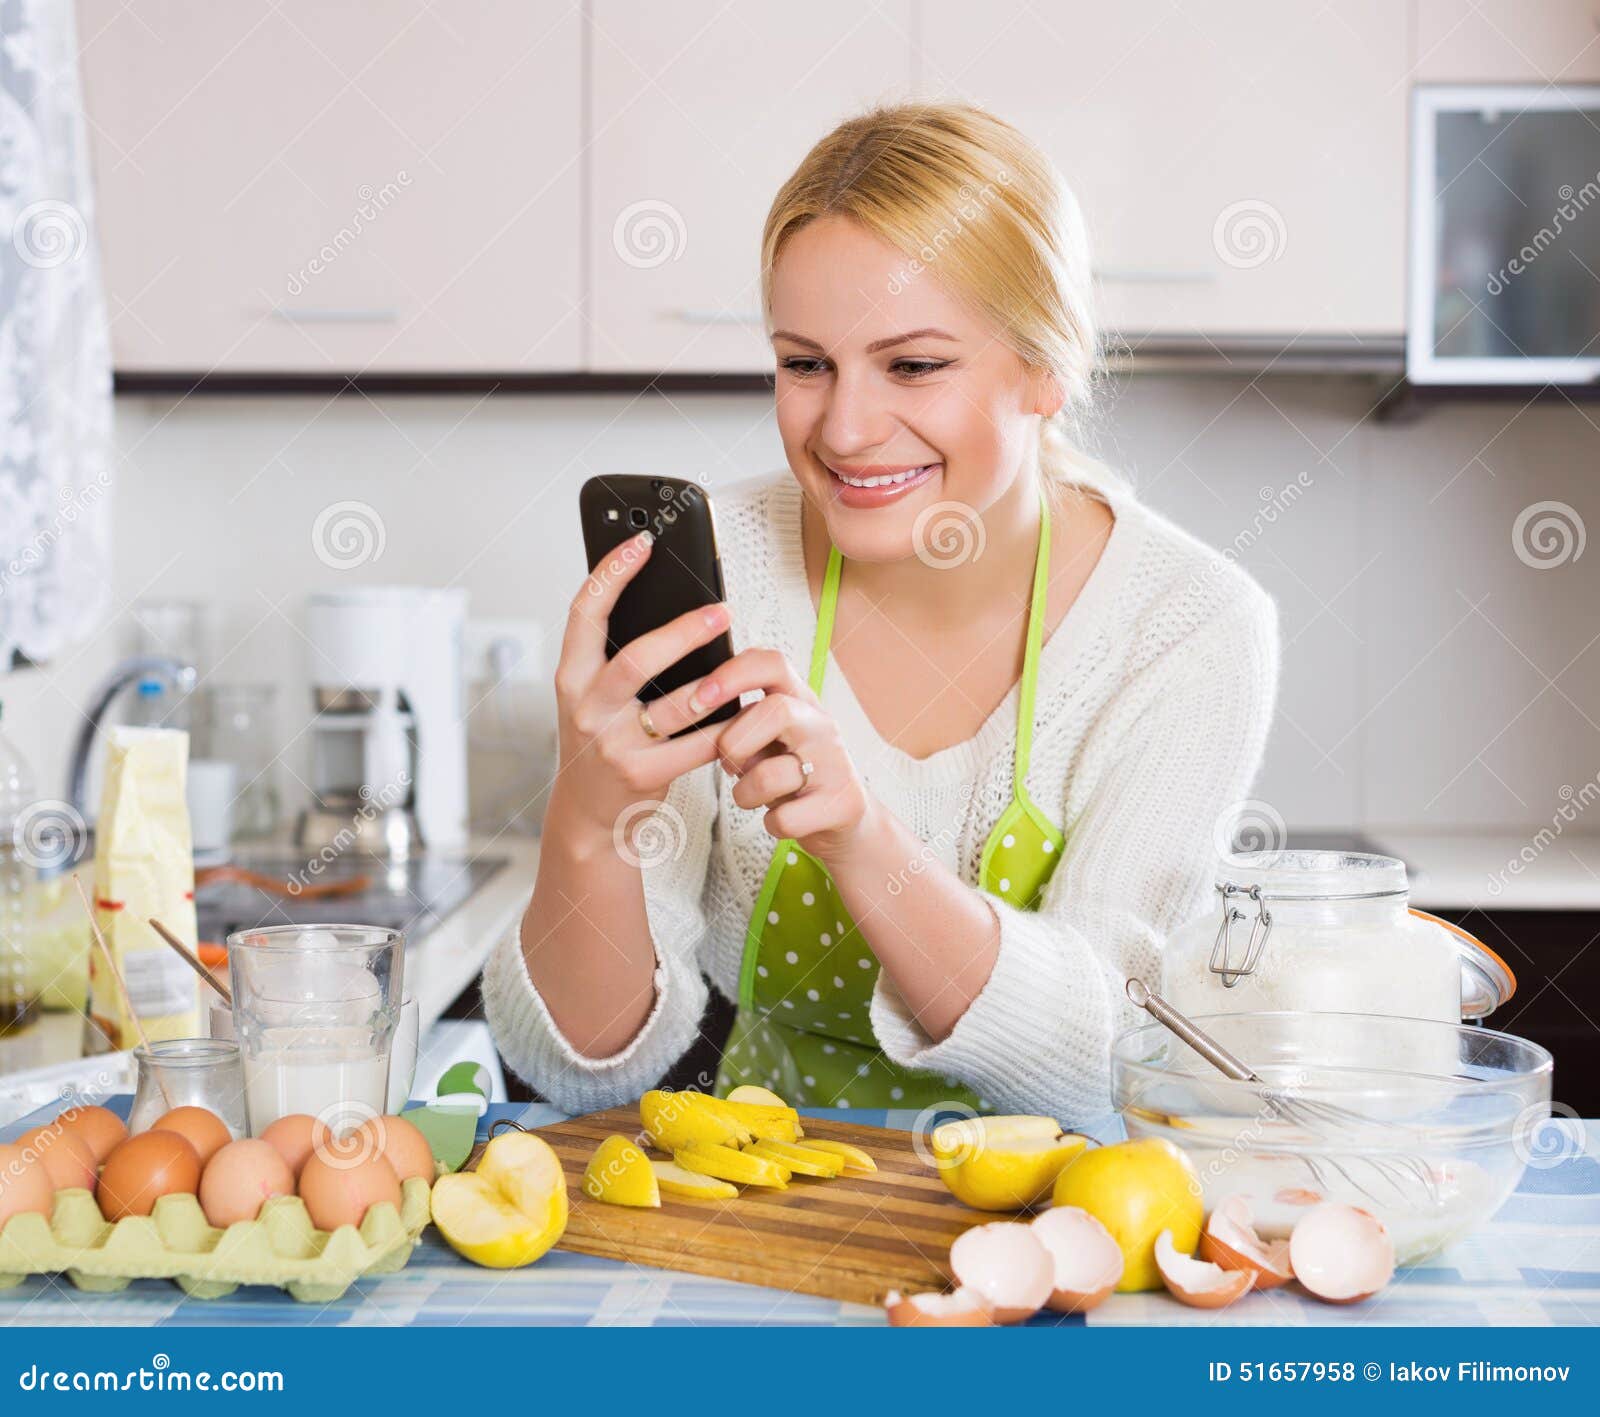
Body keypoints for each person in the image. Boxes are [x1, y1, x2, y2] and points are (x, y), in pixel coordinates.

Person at [484, 102, 1279, 1122]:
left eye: (913, 365)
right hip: (767, 1210)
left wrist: (862, 842)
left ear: (1047, 368)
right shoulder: (718, 572)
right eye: (804, 363)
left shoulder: (1186, 627)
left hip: (1055, 1229)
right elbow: (582, 1069)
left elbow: (1108, 1063)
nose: (846, 430)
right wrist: (588, 821)